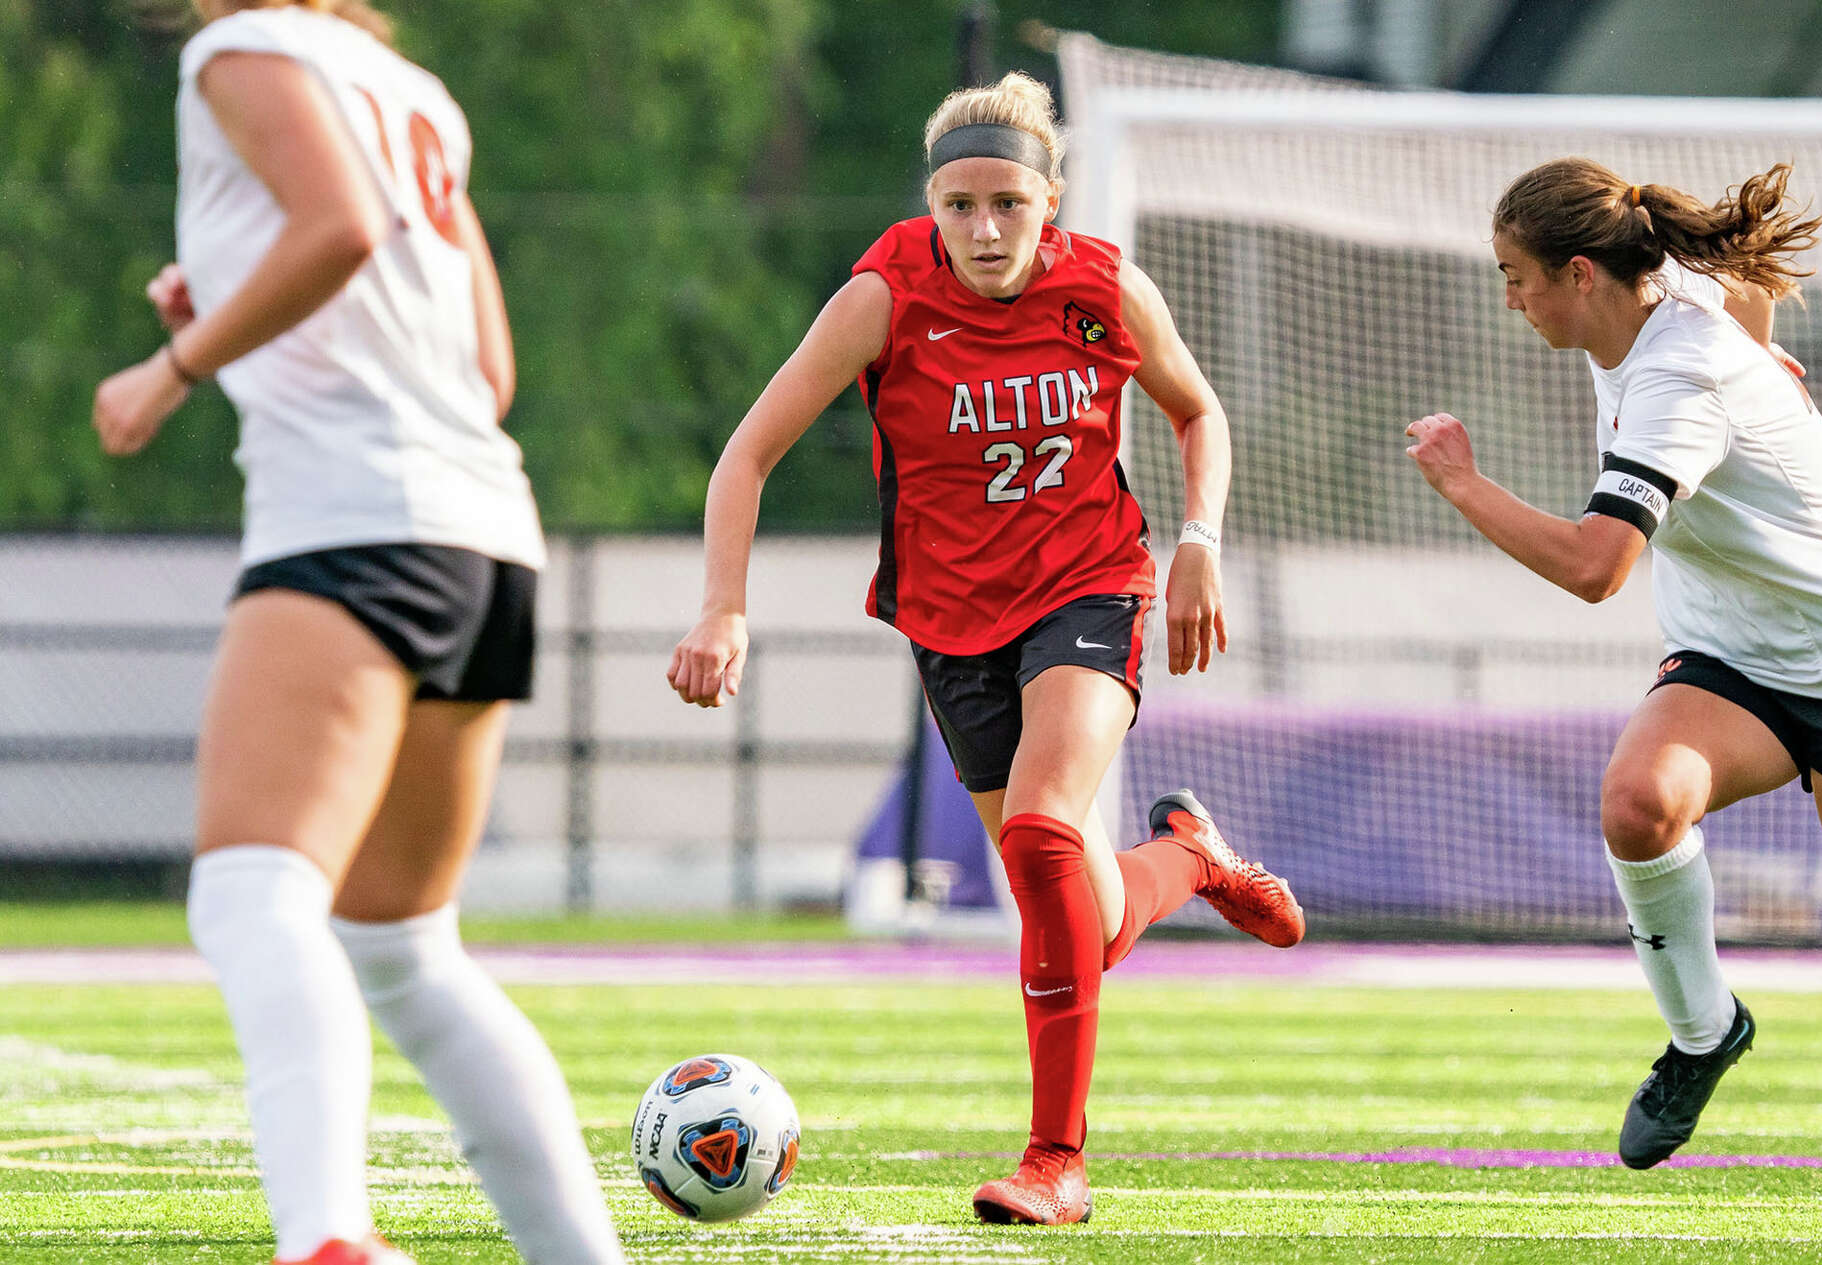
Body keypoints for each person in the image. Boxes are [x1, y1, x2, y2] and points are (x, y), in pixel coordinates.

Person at [667, 72, 1305, 1225]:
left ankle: (1056, 1159)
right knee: (1080, 922)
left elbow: (1196, 408)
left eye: (1008, 202)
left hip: (1091, 585)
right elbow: (745, 454)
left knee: (1049, 828)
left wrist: (1202, 537)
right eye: (959, 204)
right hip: (950, 623)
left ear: (1049, 202)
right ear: (933, 205)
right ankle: (1190, 860)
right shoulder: (884, 294)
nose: (983, 229)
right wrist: (723, 606)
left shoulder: (1103, 286)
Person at [90, 3, 626, 1262]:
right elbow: (485, 365)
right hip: (485, 530)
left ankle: (327, 1237)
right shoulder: (413, 88)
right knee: (399, 946)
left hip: (356, 516)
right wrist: (227, 299)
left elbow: (337, 226)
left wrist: (172, 366)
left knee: (250, 893)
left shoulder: (235, 53)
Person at [1405, 156, 1822, 1169]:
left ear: (1582, 273)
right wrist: (1764, 363)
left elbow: (1599, 569)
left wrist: (1462, 482)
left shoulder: (1679, 376)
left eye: (1517, 275)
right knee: (1638, 802)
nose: (1510, 299)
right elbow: (1750, 288)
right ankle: (1703, 1031)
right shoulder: (1662, 299)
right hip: (1736, 653)